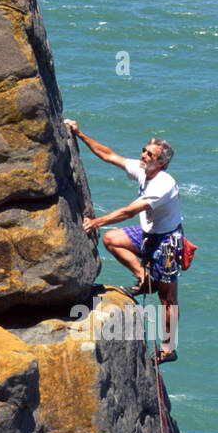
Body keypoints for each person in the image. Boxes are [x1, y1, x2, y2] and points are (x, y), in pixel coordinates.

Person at [64, 119, 183, 364]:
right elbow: (109, 156)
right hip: (149, 234)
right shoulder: (142, 169)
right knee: (112, 240)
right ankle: (144, 278)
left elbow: (129, 211)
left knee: (167, 299)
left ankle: (169, 348)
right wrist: (80, 134)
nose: (143, 155)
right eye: (144, 150)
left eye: (150, 154)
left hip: (167, 241)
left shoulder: (163, 185)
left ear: (161, 163)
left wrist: (96, 222)